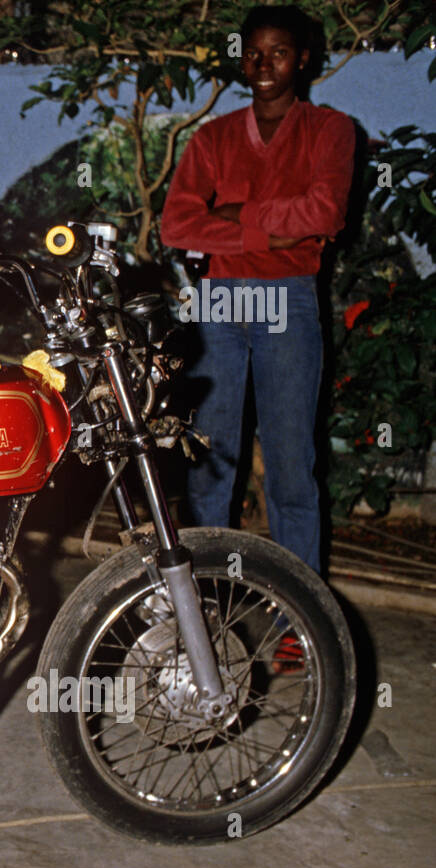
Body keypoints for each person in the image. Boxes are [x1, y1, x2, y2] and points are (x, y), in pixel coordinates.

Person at [161, 5, 354, 574]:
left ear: (303, 60)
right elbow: (177, 224)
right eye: (252, 51)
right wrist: (271, 230)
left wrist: (235, 215)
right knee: (211, 462)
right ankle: (202, 606)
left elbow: (326, 212)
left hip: (287, 299)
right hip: (220, 300)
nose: (263, 63)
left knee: (292, 466)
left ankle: (299, 618)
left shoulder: (330, 130)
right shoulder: (214, 137)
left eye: (278, 52)